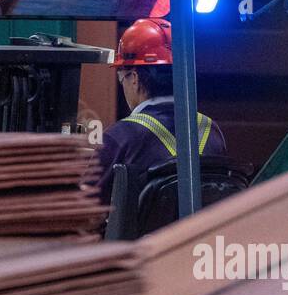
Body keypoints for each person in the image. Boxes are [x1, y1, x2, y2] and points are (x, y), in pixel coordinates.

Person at [95, 17, 228, 206]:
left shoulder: (120, 137)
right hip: (201, 235)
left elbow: (84, 208)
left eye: (122, 78)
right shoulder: (212, 131)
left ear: (133, 77)